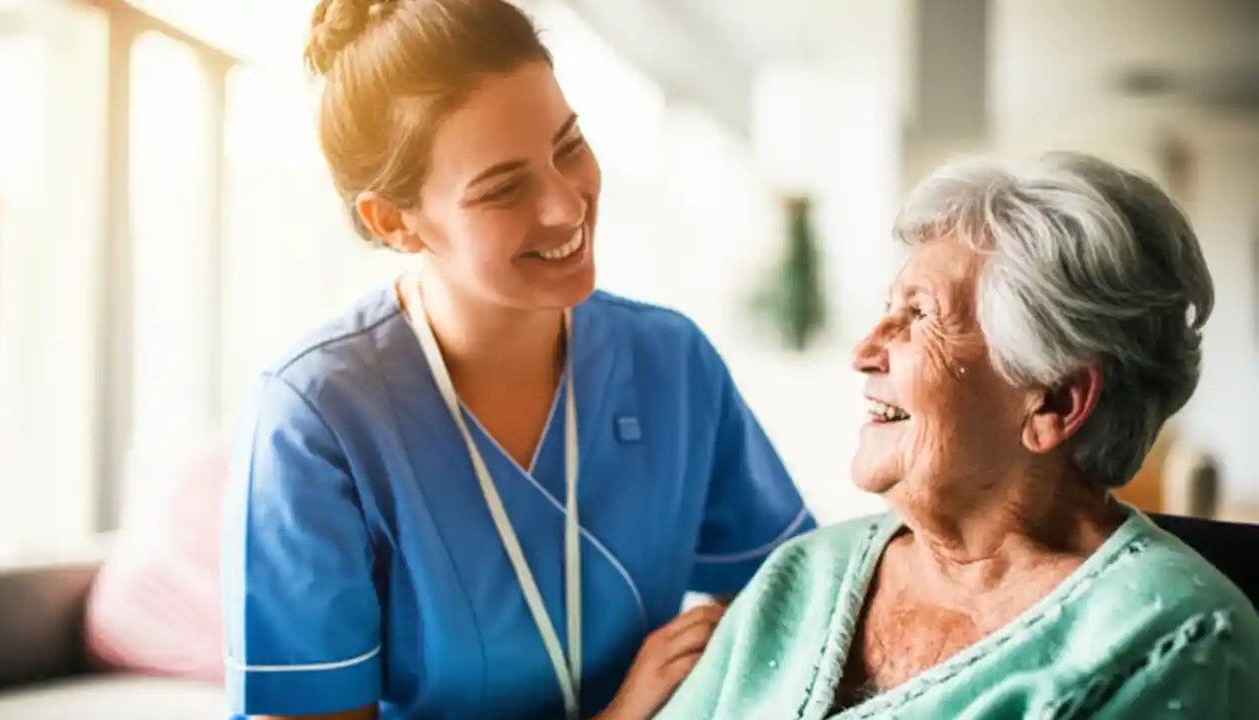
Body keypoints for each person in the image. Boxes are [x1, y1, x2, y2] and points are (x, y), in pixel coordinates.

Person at [220, 1, 814, 719]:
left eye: (568, 146)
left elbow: (798, 601)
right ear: (395, 221)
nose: (567, 206)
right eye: (503, 188)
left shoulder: (671, 363)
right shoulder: (315, 422)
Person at [657, 152, 1259, 719]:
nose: (864, 352)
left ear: (1054, 401)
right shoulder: (805, 574)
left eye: (918, 316)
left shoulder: (1180, 640)